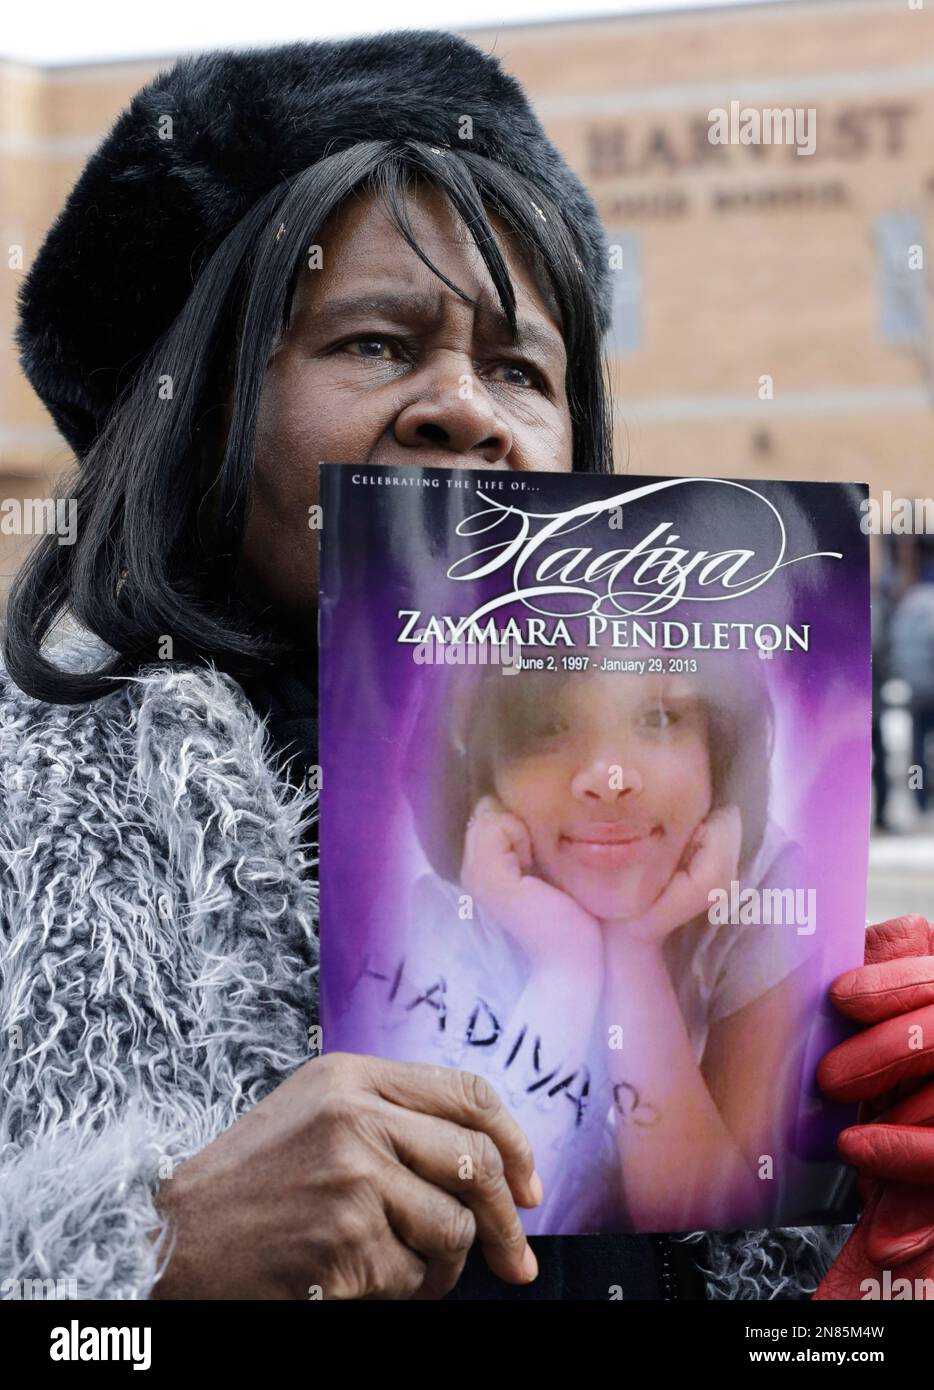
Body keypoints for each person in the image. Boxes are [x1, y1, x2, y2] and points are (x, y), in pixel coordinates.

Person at [1, 30, 931, 1302]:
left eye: (518, 367)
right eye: (375, 342)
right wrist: (155, 1261)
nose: (465, 405)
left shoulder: (678, 833)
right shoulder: (34, 796)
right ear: (202, 409)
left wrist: (873, 1252)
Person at [362, 660, 820, 1236]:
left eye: (657, 718)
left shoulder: (767, 889)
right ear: (483, 772)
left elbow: (716, 1236)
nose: (609, 778)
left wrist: (634, 952)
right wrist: (566, 969)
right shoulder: (438, 917)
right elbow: (468, 1224)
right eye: (550, 725)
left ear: (720, 744)